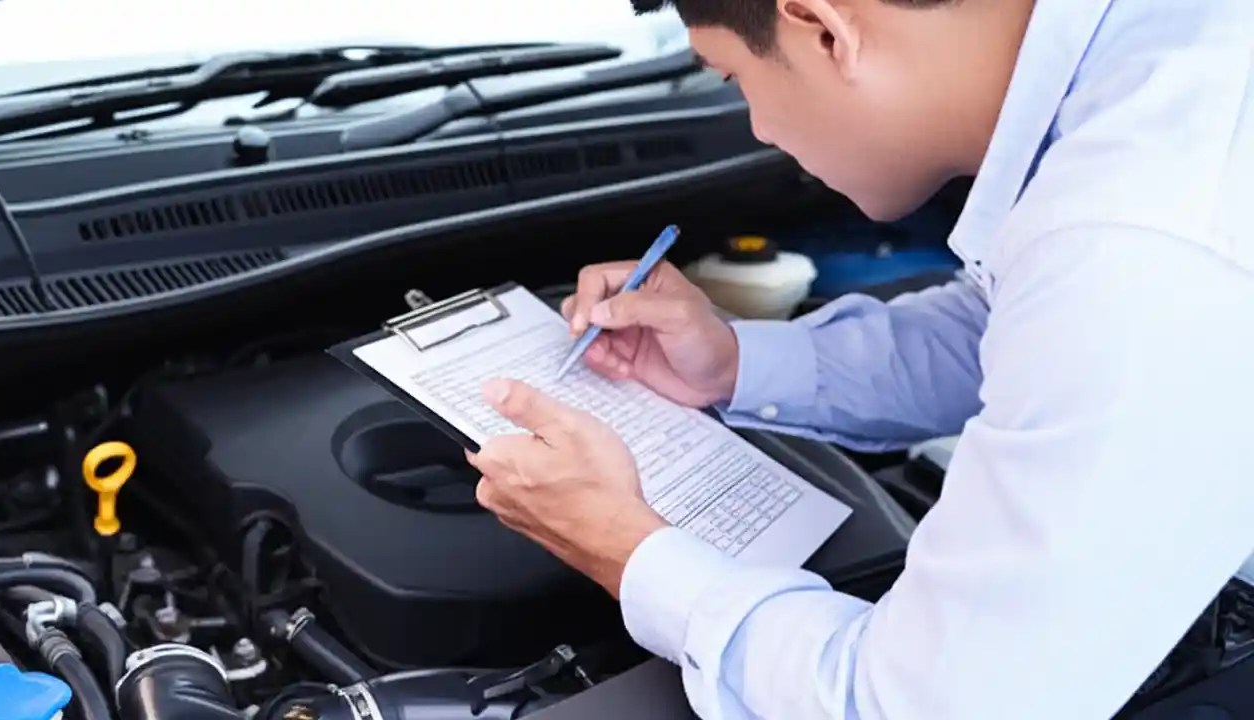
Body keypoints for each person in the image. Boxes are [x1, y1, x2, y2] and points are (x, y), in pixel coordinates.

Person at [463, 0, 1254, 717]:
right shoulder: (1157, 66)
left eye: (733, 78)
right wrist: (735, 362)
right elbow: (1013, 328)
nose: (759, 129)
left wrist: (625, 549)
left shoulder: (1141, 235)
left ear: (822, 28)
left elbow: (914, 707)